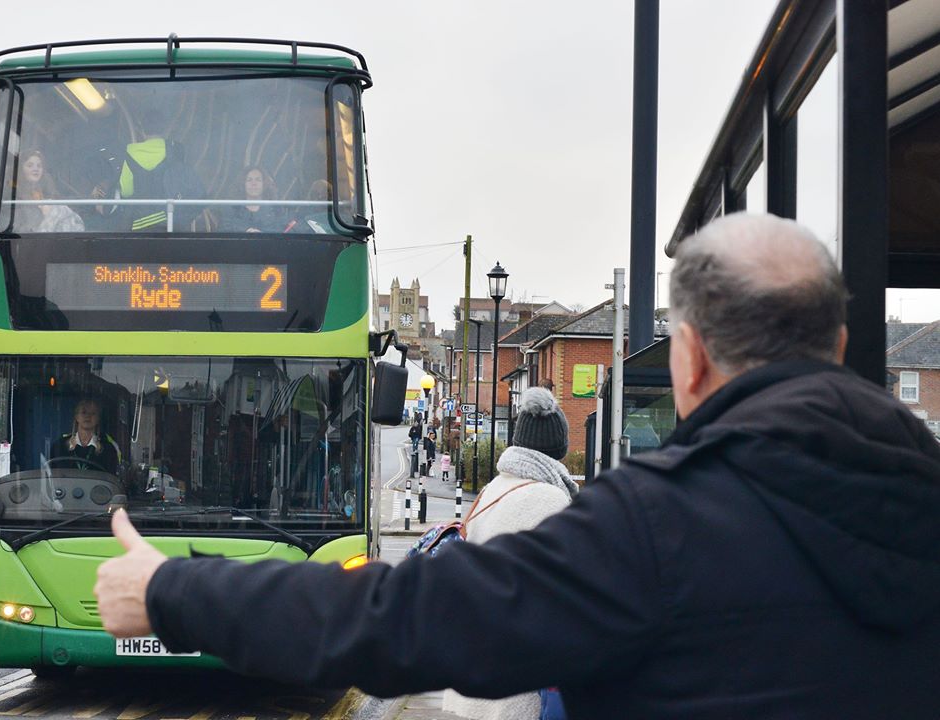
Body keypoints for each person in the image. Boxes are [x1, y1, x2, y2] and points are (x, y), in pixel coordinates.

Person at [95, 214, 940, 719]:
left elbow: (404, 619)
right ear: (835, 345)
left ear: (685, 360)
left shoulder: (657, 530)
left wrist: (173, 591)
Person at [442, 386, 580, 720]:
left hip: (473, 669)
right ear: (559, 446)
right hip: (514, 682)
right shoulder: (551, 499)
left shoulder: (492, 489)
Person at [12, 150, 85, 233]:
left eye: (39, 166)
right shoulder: (12, 195)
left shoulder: (48, 191)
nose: (36, 169)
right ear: (21, 169)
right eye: (30, 165)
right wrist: (49, 215)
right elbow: (13, 228)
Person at [48, 398, 121, 475]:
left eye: (93, 413)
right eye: (84, 412)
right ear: (76, 416)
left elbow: (111, 478)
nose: (88, 416)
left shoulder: (108, 449)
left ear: (98, 418)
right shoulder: (59, 446)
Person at [222, 166, 290, 233]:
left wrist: (262, 235)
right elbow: (223, 232)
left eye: (258, 180)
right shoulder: (233, 209)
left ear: (264, 184)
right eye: (249, 180)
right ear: (243, 184)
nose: (254, 183)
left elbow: (282, 232)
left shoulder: (275, 209)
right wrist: (245, 232)